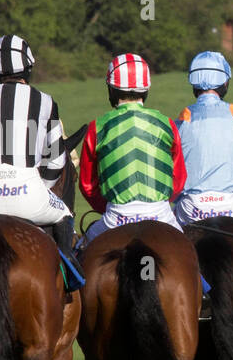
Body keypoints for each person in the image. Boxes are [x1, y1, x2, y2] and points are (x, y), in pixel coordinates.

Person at [0, 34, 82, 288]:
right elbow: (55, 161)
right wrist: (40, 186)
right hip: (29, 194)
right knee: (63, 213)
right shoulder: (45, 101)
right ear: (27, 67)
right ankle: (69, 270)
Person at [78, 53, 187, 247]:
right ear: (146, 89)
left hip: (115, 218)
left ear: (111, 89)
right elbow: (178, 179)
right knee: (193, 262)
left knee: (79, 254)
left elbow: (88, 185)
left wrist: (110, 207)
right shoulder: (168, 124)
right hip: (160, 215)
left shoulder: (97, 127)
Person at [172, 51, 233, 225]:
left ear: (193, 83)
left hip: (192, 208)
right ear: (225, 82)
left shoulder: (184, 118)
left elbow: (173, 165)